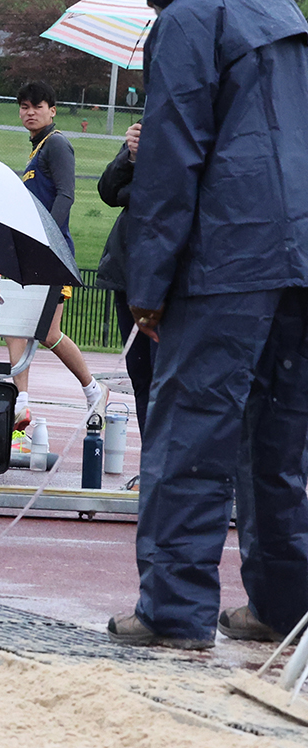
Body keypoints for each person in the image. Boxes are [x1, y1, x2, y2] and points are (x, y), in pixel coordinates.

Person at [110, 0, 308, 650]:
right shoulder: (283, 16)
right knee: (278, 442)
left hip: (229, 251)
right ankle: (284, 604)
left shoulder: (191, 19)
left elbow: (171, 154)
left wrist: (150, 282)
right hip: (297, 251)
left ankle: (174, 609)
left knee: (190, 430)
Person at [3, 81, 109, 427]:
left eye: (37, 106)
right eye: (24, 106)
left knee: (46, 332)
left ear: (52, 110)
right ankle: (21, 400)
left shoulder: (57, 144)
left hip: (50, 255)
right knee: (16, 324)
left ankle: (94, 389)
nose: (30, 112)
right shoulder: (37, 151)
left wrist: (47, 241)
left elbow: (66, 195)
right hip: (30, 252)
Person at [95, 120, 154, 463]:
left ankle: (170, 467)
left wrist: (129, 192)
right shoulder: (142, 131)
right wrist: (129, 158)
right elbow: (107, 191)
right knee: (141, 372)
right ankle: (151, 466)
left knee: (169, 378)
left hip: (170, 274)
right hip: (127, 271)